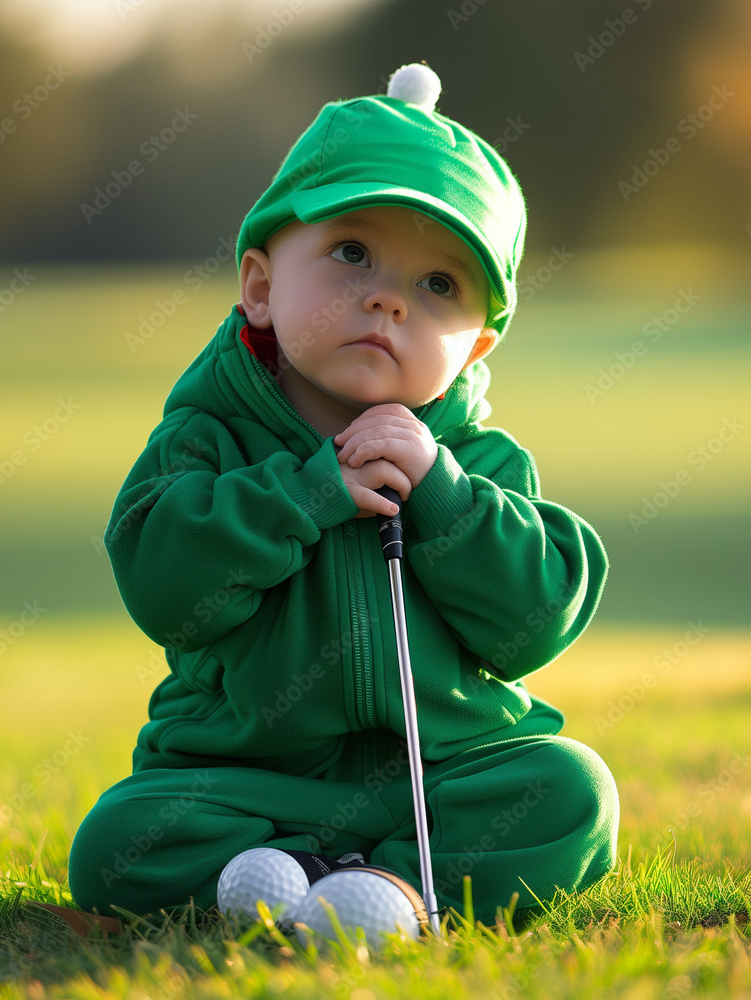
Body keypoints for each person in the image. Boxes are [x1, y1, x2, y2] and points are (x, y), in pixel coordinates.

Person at [68, 63, 619, 935]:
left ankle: (391, 889)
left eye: (438, 285)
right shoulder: (205, 439)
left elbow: (532, 625)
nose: (387, 297)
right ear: (259, 285)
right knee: (118, 842)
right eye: (351, 253)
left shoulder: (479, 464)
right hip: (249, 782)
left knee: (573, 793)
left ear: (475, 349)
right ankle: (300, 873)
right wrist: (305, 492)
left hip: (438, 779)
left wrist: (443, 498)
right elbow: (162, 587)